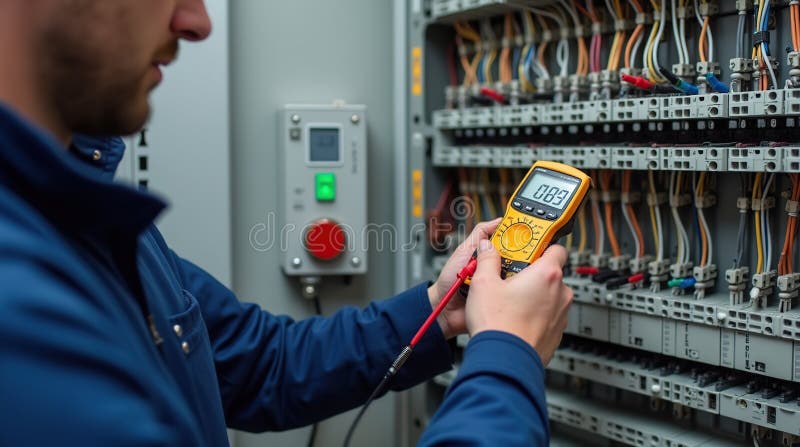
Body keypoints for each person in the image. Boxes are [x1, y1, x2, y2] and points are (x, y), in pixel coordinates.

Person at [0, 1, 573, 446]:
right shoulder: (19, 297)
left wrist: (436, 311)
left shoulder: (82, 221)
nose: (197, 22)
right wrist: (505, 355)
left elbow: (261, 365)